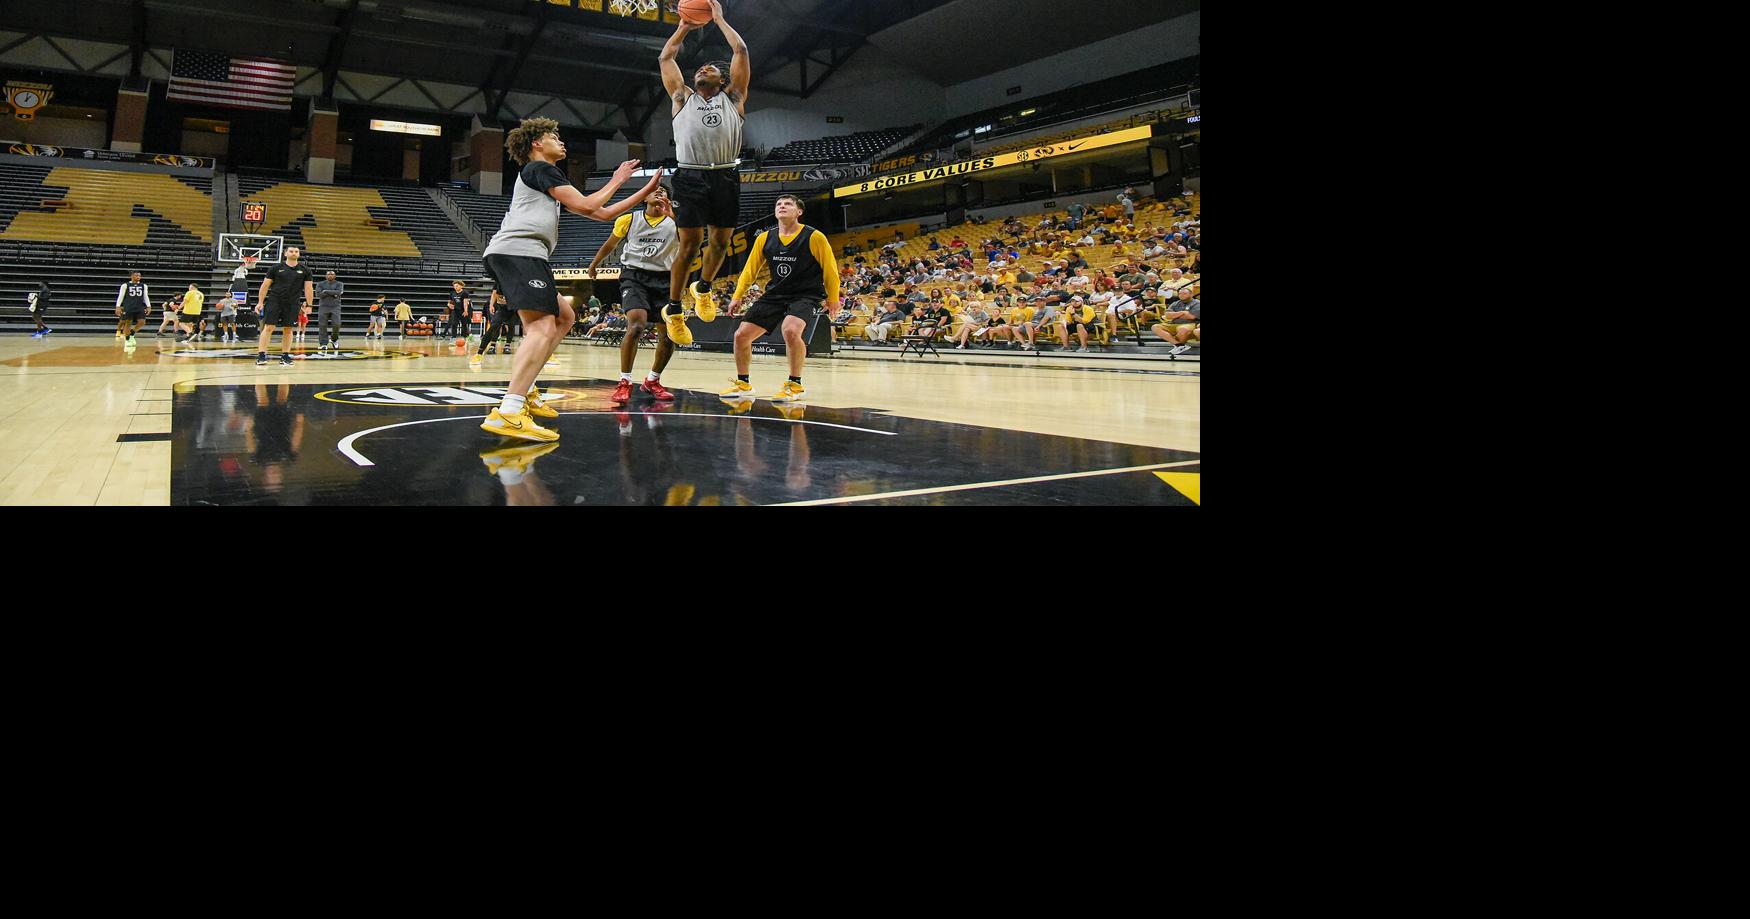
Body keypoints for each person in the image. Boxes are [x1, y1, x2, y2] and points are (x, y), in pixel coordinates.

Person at [478, 115, 662, 442]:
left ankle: (528, 390)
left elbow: (601, 213)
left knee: (565, 317)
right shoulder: (540, 169)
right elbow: (591, 203)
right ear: (537, 144)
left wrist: (645, 190)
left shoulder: (541, 177)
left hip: (522, 254)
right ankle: (509, 410)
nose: (562, 143)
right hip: (519, 252)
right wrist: (619, 178)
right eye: (555, 137)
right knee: (541, 326)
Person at [659, 0, 751, 327]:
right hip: (690, 175)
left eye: (710, 69)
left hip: (726, 175)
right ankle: (673, 307)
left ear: (721, 78)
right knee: (690, 244)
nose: (702, 69)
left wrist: (719, 19)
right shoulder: (682, 98)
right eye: (699, 69)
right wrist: (684, 24)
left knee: (722, 241)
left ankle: (704, 287)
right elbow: (666, 57)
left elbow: (740, 50)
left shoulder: (734, 98)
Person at [720, 194, 838, 403]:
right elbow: (750, 271)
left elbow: (830, 269)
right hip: (776, 293)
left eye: (788, 204)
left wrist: (833, 298)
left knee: (791, 331)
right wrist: (737, 295)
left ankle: (795, 385)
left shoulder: (814, 236)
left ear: (799, 212)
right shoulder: (764, 238)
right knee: (741, 336)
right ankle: (743, 384)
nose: (782, 206)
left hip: (806, 293)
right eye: (779, 204)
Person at [586, 180, 682, 404]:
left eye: (663, 191)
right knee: (636, 325)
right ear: (644, 197)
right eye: (654, 191)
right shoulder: (629, 219)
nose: (659, 193)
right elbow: (611, 245)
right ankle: (624, 382)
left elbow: (692, 242)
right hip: (634, 275)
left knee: (668, 336)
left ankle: (652, 380)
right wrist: (594, 264)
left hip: (665, 278)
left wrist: (674, 216)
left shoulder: (677, 221)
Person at [256, 246, 314, 367]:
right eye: (291, 251)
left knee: (288, 329)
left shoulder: (305, 270)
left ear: (299, 254)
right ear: (285, 253)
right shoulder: (276, 268)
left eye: (296, 251)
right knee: (269, 327)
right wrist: (260, 302)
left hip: (293, 303)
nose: (294, 253)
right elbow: (265, 285)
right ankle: (261, 355)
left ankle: (285, 356)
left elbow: (308, 288)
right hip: (274, 301)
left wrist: (309, 304)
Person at [115, 271, 150, 349]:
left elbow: (145, 296)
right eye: (136, 275)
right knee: (128, 323)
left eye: (139, 275)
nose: (138, 277)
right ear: (131, 276)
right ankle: (127, 340)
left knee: (142, 322)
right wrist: (118, 306)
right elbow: (120, 296)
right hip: (128, 307)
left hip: (139, 306)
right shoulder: (125, 285)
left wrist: (148, 306)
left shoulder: (144, 286)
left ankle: (132, 333)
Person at [315, 271, 345, 350]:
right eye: (328, 274)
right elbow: (318, 294)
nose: (330, 275)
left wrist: (325, 291)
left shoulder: (339, 284)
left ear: (335, 276)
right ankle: (323, 343)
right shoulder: (320, 284)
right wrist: (333, 293)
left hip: (335, 307)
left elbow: (338, 292)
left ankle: (334, 339)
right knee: (322, 325)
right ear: (326, 276)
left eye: (332, 274)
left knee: (337, 324)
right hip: (323, 307)